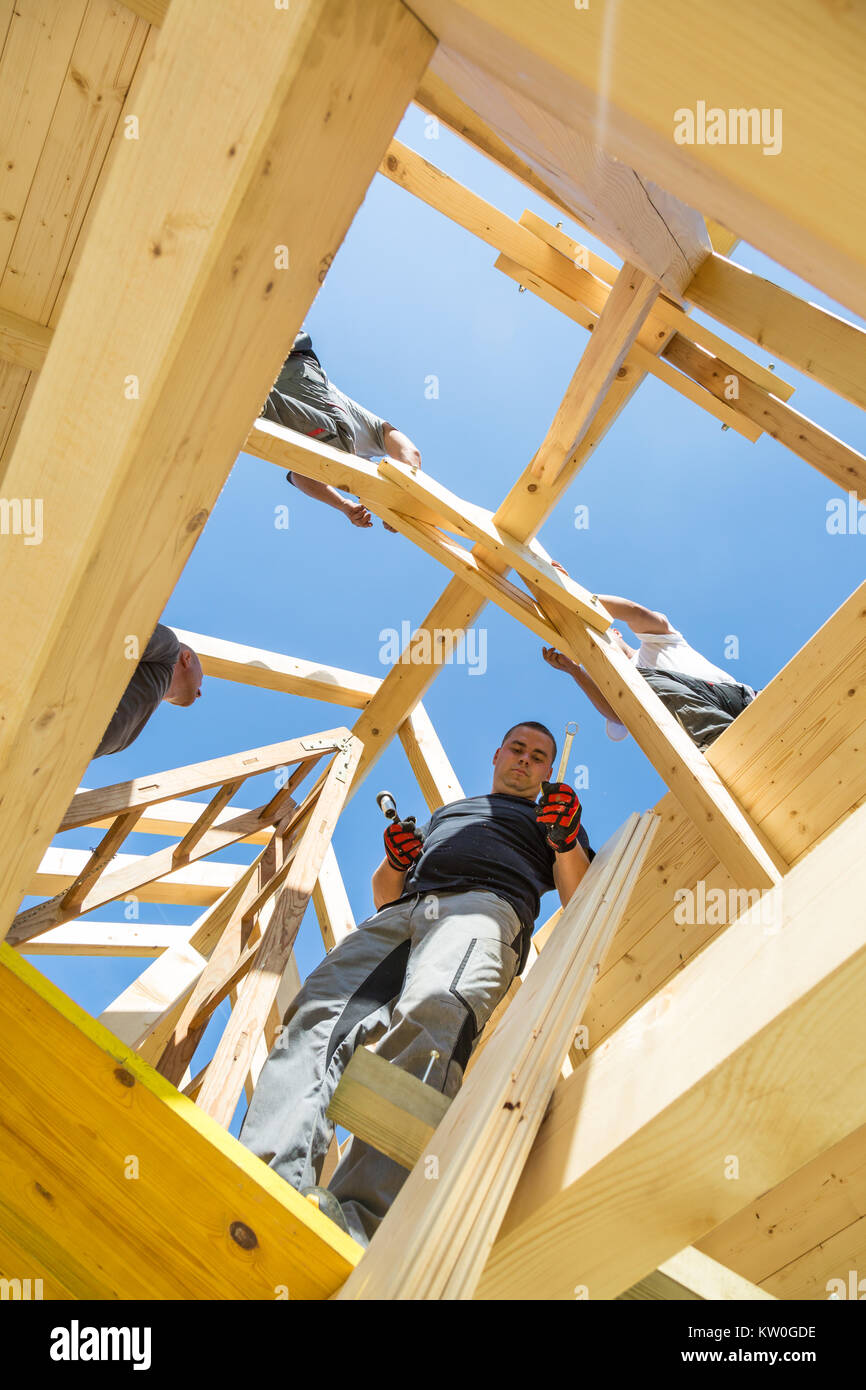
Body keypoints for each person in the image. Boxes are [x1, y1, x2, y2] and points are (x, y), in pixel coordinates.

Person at [239, 721, 594, 1246]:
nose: (525, 760)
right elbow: (385, 891)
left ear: (548, 770)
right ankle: (265, 1182)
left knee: (433, 1012)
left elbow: (579, 893)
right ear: (497, 754)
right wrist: (397, 860)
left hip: (484, 907)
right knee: (317, 1014)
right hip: (403, 913)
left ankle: (358, 1226)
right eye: (517, 748)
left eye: (539, 756)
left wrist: (564, 837)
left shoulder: (550, 817)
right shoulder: (450, 814)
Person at [543, 594, 756, 751]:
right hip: (701, 734)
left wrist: (575, 597)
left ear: (616, 632)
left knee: (635, 682)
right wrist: (575, 671)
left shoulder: (657, 643)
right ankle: (718, 744)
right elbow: (617, 716)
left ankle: (719, 741)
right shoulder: (624, 688)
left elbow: (635, 612)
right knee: (632, 687)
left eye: (599, 637)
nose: (597, 646)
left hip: (737, 703)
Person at [260, 328, 421, 529]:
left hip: (270, 374)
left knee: (316, 457)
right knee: (340, 448)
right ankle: (256, 404)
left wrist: (343, 505)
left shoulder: (333, 462)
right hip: (293, 365)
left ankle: (254, 401)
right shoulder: (374, 438)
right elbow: (411, 454)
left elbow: (299, 475)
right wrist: (402, 501)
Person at [94, 623, 202, 758]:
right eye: (201, 679)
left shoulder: (136, 716)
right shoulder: (169, 647)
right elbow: (116, 643)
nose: (200, 694)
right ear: (186, 658)